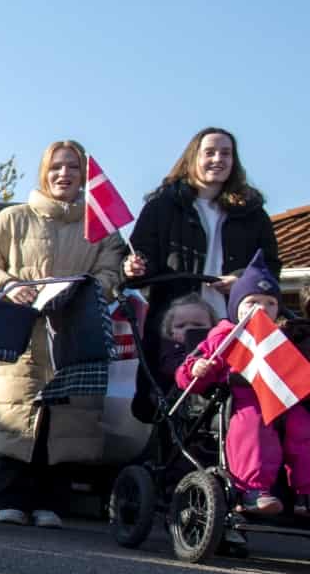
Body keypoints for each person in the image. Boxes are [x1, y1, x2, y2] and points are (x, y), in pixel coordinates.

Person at [0, 139, 127, 528]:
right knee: (16, 416)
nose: (64, 174)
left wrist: (88, 289)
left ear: (84, 175)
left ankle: (51, 504)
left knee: (68, 423)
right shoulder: (14, 219)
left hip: (75, 333)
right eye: (57, 166)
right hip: (22, 335)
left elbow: (113, 273)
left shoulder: (101, 229)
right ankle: (10, 500)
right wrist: (8, 284)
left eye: (73, 167)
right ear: (44, 171)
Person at [124, 126, 281, 420]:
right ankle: (170, 461)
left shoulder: (253, 213)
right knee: (173, 399)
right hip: (180, 322)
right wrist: (133, 266)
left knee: (235, 403)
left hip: (234, 325)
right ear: (193, 157)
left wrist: (241, 281)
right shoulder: (162, 207)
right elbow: (138, 257)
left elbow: (270, 266)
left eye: (226, 153)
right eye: (209, 152)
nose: (217, 159)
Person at [177, 256, 309, 516]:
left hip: (281, 399)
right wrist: (196, 368)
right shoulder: (224, 335)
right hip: (239, 400)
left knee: (304, 427)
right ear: (236, 305)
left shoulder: (282, 337)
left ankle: (305, 492)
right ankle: (253, 490)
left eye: (270, 303)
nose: (261, 309)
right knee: (254, 425)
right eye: (252, 302)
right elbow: (187, 374)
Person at [153, 293, 217, 392]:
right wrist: (192, 366)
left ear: (213, 327)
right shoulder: (171, 348)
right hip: (182, 399)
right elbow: (170, 366)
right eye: (180, 326)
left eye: (198, 325)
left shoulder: (216, 345)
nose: (189, 329)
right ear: (171, 331)